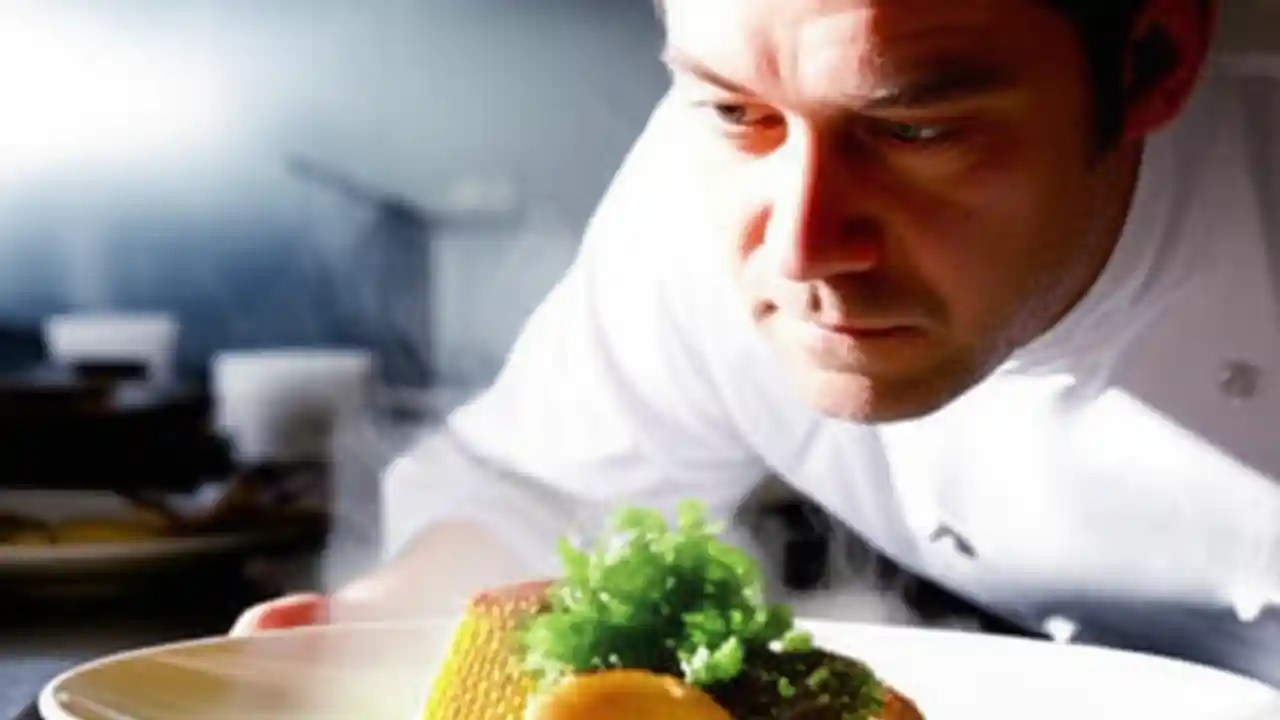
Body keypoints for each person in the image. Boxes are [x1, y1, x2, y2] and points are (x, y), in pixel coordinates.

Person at [236, 0, 1280, 685]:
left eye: (914, 131)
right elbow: (542, 494)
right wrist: (370, 631)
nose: (799, 245)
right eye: (737, 110)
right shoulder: (702, 191)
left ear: (1151, 66)